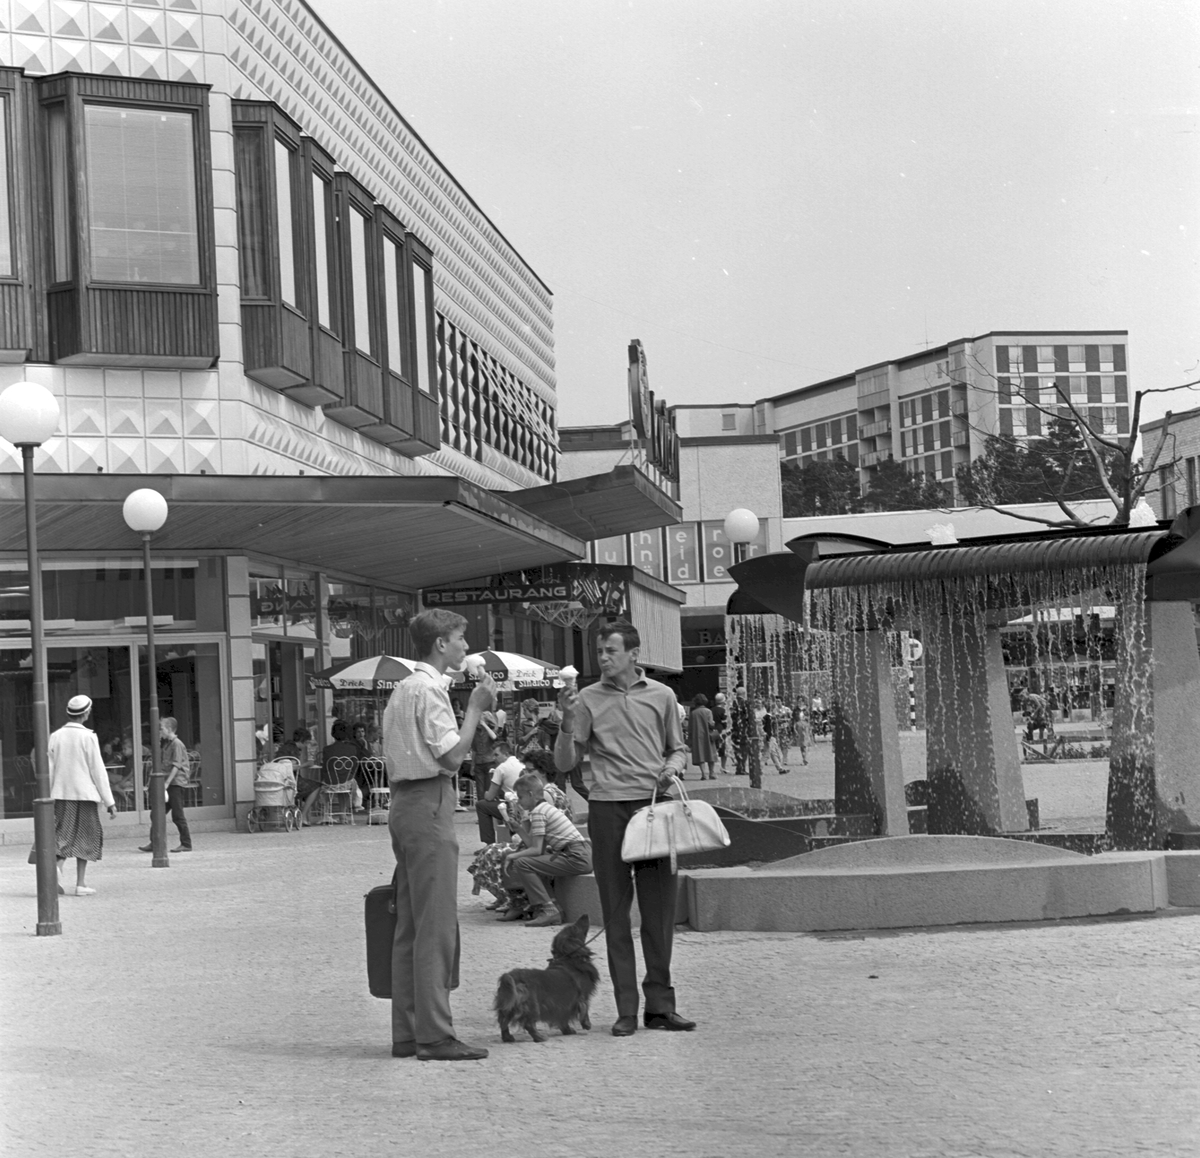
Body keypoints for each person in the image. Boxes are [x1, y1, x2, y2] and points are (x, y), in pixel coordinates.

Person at [554, 620, 694, 1037]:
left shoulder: (662, 695)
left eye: (610, 651)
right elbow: (564, 763)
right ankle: (626, 1010)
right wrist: (566, 720)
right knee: (616, 915)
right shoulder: (586, 699)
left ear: (634, 654)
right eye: (599, 651)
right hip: (608, 809)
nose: (602, 658)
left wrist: (672, 768)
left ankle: (661, 1007)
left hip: (653, 808)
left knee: (660, 914)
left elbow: (678, 749)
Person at [383, 608, 496, 1062]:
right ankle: (434, 1034)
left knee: (411, 923)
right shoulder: (430, 690)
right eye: (460, 638)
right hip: (429, 801)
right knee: (436, 924)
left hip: (406, 803)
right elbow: (451, 757)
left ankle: (408, 1031)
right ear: (441, 644)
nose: (466, 646)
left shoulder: (404, 688)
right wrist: (475, 709)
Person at [43, 695, 117, 896]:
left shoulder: (56, 736)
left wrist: (49, 795)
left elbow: (50, 769)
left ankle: (56, 870)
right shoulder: (88, 737)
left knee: (63, 835)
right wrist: (109, 801)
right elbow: (98, 770)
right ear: (86, 713)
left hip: (61, 794)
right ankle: (80, 884)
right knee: (86, 836)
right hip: (85, 795)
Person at [500, 771, 592, 927]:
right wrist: (519, 829)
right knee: (531, 861)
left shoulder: (538, 812)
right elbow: (537, 849)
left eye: (520, 797)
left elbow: (536, 850)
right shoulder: (544, 808)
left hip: (576, 856)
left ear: (530, 794)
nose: (519, 802)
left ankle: (548, 909)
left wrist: (511, 856)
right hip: (581, 854)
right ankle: (552, 907)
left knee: (522, 863)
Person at [137, 716, 193, 853]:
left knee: (177, 815)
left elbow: (176, 765)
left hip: (175, 783)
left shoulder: (177, 744)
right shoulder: (167, 744)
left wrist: (167, 783)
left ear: (169, 729)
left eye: (161, 729)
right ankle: (155, 842)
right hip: (169, 783)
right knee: (157, 813)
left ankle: (186, 843)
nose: (160, 731)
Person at [688, 693, 716, 780]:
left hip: (697, 736)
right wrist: (713, 723)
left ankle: (704, 774)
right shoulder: (708, 711)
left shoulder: (693, 713)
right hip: (708, 735)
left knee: (700, 754)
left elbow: (690, 727)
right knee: (711, 754)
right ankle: (712, 772)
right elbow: (711, 724)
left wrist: (690, 739)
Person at [729, 684, 753, 780]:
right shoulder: (745, 703)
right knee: (744, 749)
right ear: (744, 694)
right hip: (743, 730)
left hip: (735, 729)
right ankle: (742, 768)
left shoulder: (733, 703)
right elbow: (748, 717)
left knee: (737, 748)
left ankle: (738, 767)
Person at [712, 691, 729, 773]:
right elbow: (725, 722)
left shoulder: (712, 710)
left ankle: (712, 768)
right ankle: (723, 767)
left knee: (713, 748)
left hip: (713, 730)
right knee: (723, 749)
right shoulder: (724, 710)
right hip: (722, 730)